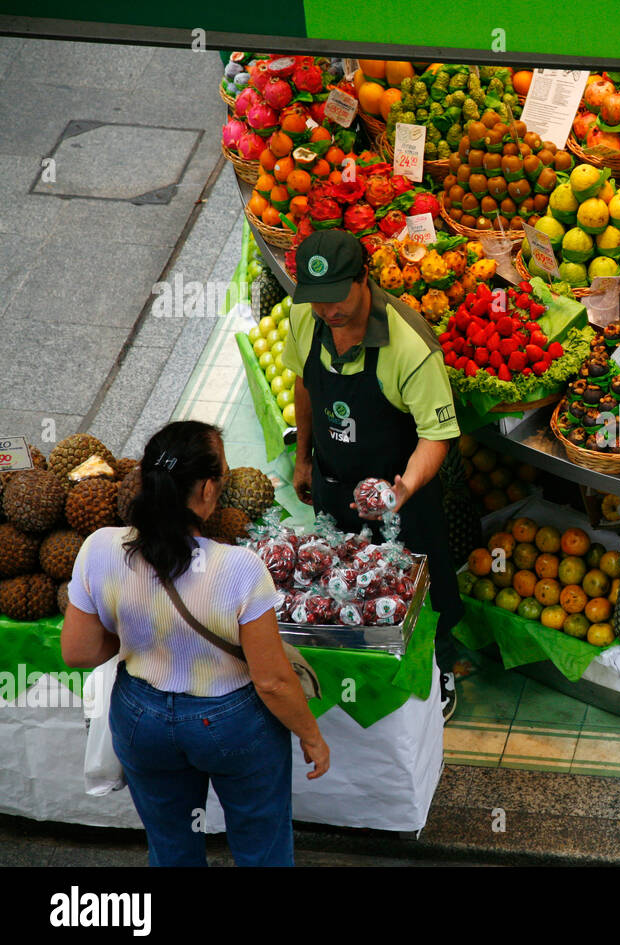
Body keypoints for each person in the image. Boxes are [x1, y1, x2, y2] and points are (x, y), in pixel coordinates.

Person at [60, 421, 328, 867]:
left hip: (140, 717)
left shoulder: (100, 548)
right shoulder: (241, 568)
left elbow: (79, 652)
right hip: (231, 722)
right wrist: (312, 736)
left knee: (171, 847)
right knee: (261, 846)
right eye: (221, 475)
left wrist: (138, 627)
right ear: (206, 489)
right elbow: (273, 682)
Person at [282, 229, 465, 716]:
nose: (328, 311)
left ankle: (438, 669)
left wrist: (405, 487)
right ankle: (355, 676)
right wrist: (304, 457)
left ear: (365, 277)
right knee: (341, 586)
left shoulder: (409, 345)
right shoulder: (306, 317)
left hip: (401, 499)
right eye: (318, 301)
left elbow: (437, 433)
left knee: (422, 594)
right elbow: (305, 384)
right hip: (332, 483)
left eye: (337, 297)